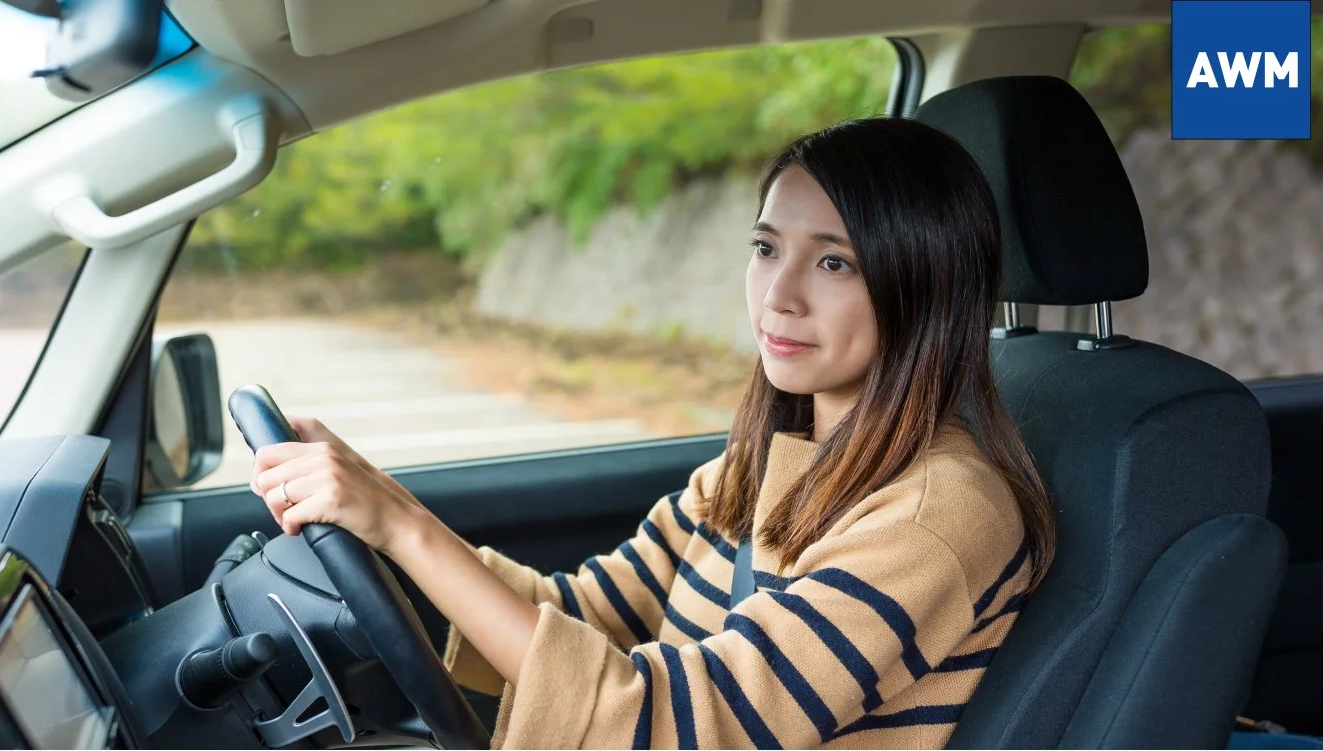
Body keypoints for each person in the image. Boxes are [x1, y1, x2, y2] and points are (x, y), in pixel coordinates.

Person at [249, 117, 1057, 749]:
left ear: (923, 283)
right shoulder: (755, 469)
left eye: (833, 262)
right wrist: (380, 514)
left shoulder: (939, 517)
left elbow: (676, 727)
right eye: (765, 247)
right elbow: (584, 613)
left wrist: (403, 527)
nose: (778, 294)